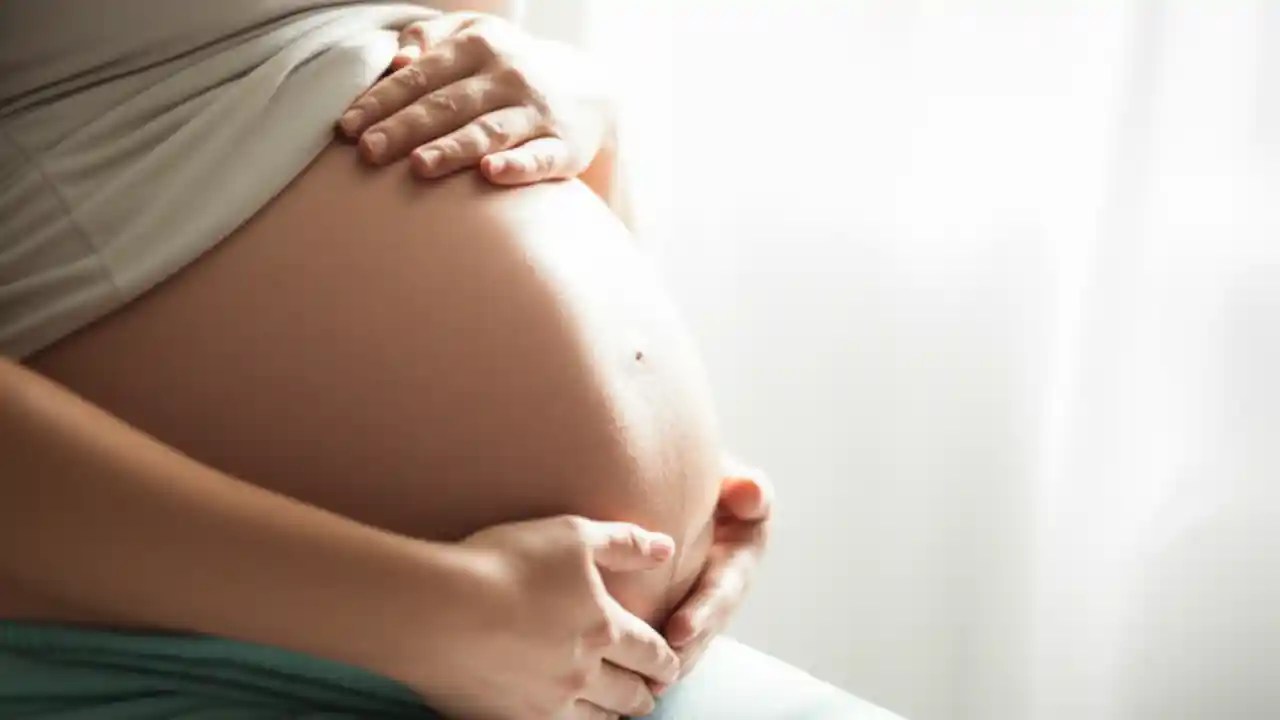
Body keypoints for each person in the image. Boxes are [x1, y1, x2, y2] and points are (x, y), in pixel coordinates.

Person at [0, 2, 901, 718]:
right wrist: (430, 614)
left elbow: (457, 102)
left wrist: (686, 492)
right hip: (189, 644)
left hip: (572, 665)